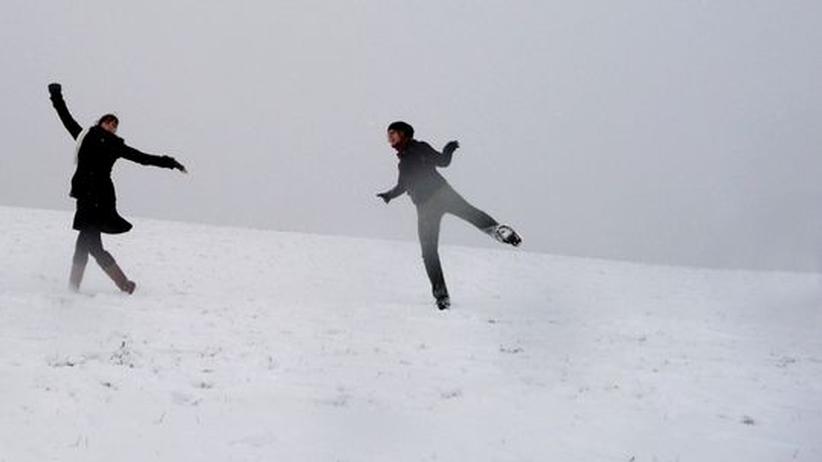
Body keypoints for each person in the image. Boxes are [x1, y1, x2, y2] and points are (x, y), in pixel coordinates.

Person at [48, 83, 187, 294]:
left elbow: (142, 158)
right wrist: (56, 96)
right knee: (92, 245)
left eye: (115, 124)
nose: (112, 126)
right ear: (101, 123)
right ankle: (123, 285)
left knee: (86, 242)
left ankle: (76, 289)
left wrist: (169, 162)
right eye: (109, 122)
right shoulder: (84, 136)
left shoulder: (116, 146)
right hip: (84, 195)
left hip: (101, 197)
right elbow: (66, 118)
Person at [377, 121, 521, 310]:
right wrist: (390, 194)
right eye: (388, 135)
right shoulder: (403, 161)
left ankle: (442, 297)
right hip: (436, 198)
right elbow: (403, 185)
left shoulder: (419, 147)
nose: (389, 138)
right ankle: (496, 230)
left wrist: (449, 149)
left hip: (432, 201)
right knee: (469, 214)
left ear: (404, 134)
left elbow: (442, 162)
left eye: (392, 133)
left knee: (429, 252)